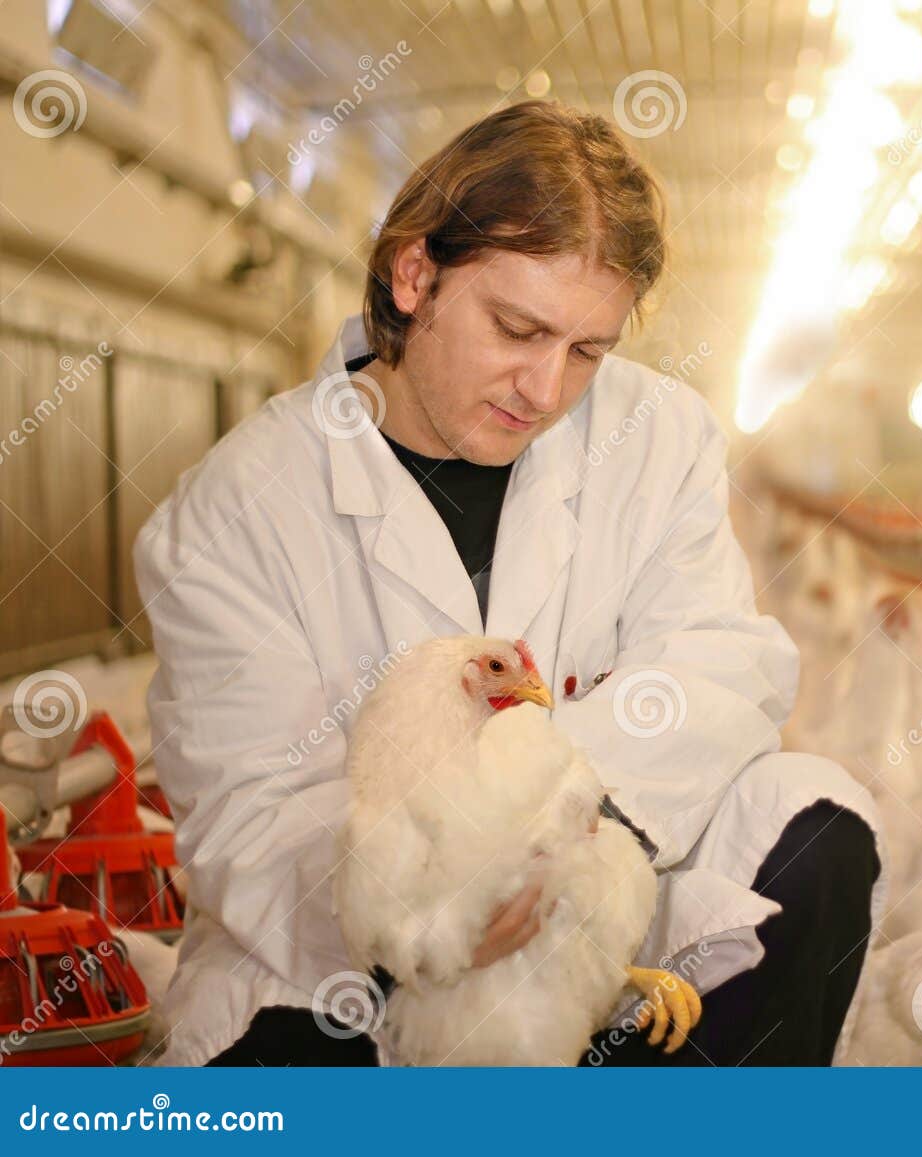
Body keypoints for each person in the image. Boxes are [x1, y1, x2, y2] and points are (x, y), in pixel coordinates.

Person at [135, 100, 881, 1067]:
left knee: (816, 817)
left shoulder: (658, 434)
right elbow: (247, 810)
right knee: (291, 1052)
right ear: (415, 275)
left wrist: (572, 831)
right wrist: (435, 900)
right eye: (516, 328)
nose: (545, 389)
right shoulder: (238, 507)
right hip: (348, 978)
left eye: (587, 350)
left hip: (595, 920)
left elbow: (719, 664)